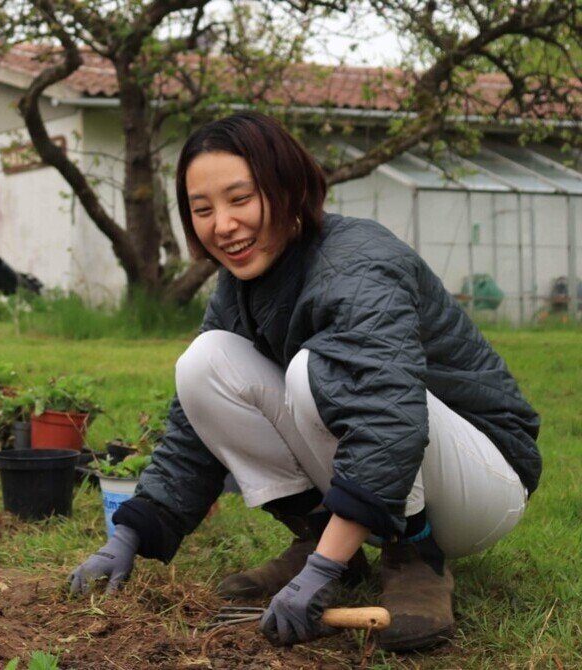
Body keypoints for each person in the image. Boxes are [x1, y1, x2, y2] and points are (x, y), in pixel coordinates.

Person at [67, 112, 540, 652]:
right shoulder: (237, 288)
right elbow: (193, 430)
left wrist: (318, 572)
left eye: (240, 199)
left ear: (288, 187)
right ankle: (325, 536)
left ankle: (415, 555)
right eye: (203, 209)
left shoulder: (358, 262)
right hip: (408, 466)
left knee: (313, 373)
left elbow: (387, 420)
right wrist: (132, 531)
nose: (222, 224)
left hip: (481, 481)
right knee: (204, 362)